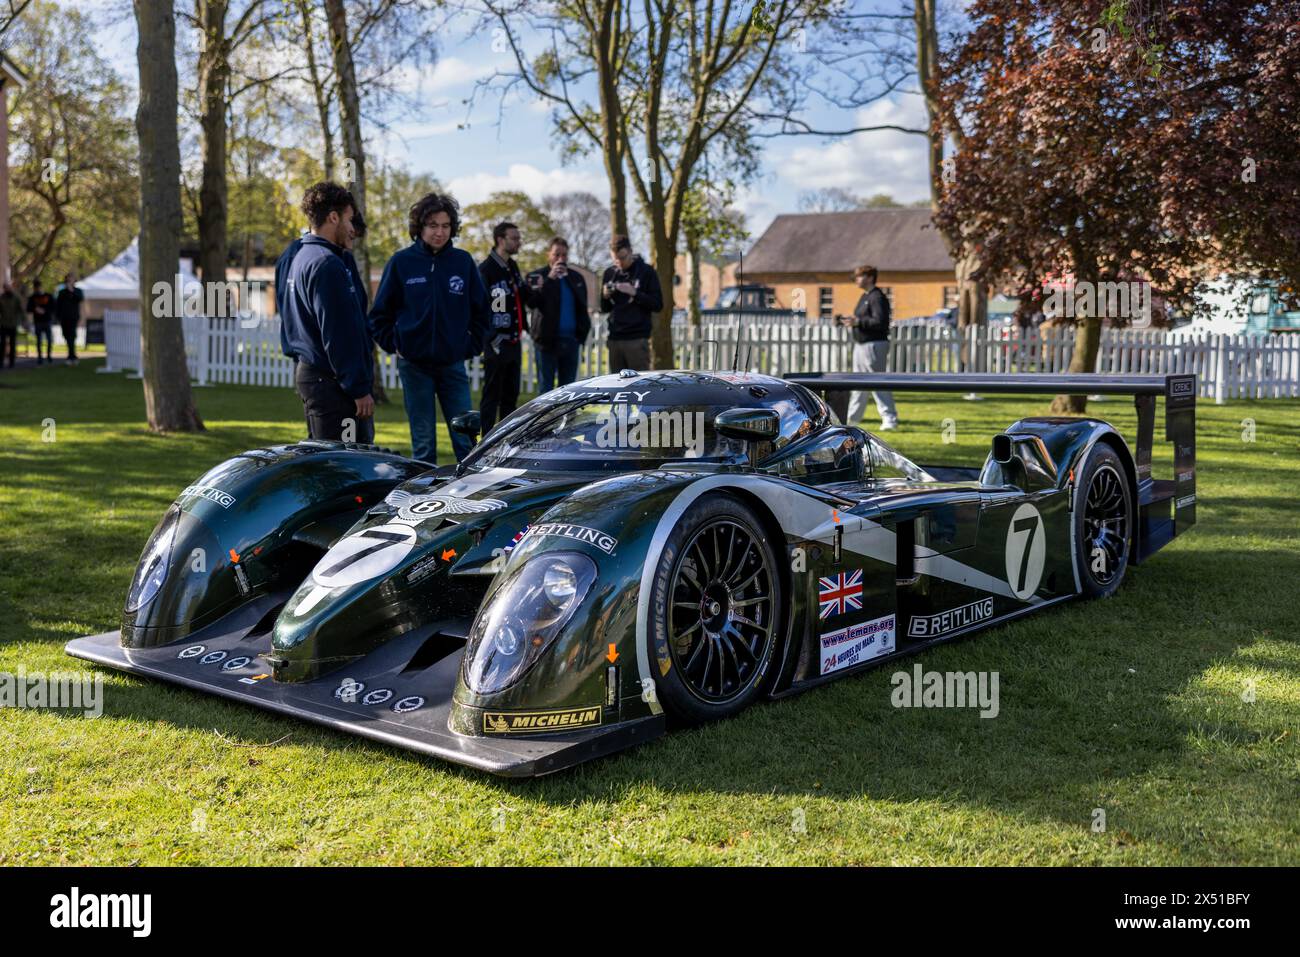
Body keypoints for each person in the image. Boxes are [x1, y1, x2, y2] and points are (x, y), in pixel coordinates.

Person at [369, 192, 490, 464]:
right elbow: (378, 316)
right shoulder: (401, 263)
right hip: (414, 367)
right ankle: (424, 501)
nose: (440, 232)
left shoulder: (463, 262)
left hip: (452, 366)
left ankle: (473, 498)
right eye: (433, 225)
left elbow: (483, 312)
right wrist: (397, 344)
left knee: (467, 441)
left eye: (446, 226)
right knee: (423, 444)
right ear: (420, 227)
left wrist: (467, 346)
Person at [280, 181, 375, 443]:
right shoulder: (326, 264)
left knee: (325, 462)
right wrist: (358, 388)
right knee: (346, 467)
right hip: (333, 385)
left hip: (315, 377)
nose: (353, 228)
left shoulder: (300, 256)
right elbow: (339, 334)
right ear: (334, 217)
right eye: (349, 219)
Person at [477, 221, 530, 431]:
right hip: (496, 343)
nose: (519, 242)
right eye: (514, 238)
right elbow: (481, 308)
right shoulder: (486, 269)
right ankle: (485, 442)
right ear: (501, 240)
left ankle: (506, 441)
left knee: (511, 395)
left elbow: (524, 297)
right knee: (491, 395)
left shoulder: (512, 267)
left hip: (514, 342)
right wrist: (491, 337)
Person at [525, 237, 590, 394]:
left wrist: (580, 336)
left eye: (564, 255)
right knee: (546, 390)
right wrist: (549, 279)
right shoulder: (537, 276)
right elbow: (532, 302)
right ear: (549, 254)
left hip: (571, 342)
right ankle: (546, 419)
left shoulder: (576, 278)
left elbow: (582, 307)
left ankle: (566, 419)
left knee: (568, 391)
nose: (561, 259)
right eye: (557, 255)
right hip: (546, 343)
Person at [837, 264, 898, 431]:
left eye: (859, 276)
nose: (856, 280)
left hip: (873, 345)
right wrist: (852, 321)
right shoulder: (865, 297)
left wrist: (858, 322)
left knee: (877, 383)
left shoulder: (877, 297)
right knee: (858, 384)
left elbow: (880, 322)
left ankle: (890, 418)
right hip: (861, 344)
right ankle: (852, 418)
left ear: (870, 277)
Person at [600, 235, 662, 371]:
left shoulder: (646, 272)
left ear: (631, 251)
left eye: (622, 258)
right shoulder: (609, 273)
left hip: (637, 339)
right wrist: (605, 296)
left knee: (639, 386)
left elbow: (658, 305)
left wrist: (635, 293)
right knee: (617, 385)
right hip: (614, 338)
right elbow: (604, 308)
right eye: (615, 259)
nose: (619, 263)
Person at [54, 274, 84, 364]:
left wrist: (71, 290)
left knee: (72, 335)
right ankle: (72, 355)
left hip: (73, 317)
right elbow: (58, 305)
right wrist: (58, 317)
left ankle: (72, 355)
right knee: (66, 335)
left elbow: (80, 299)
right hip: (64, 317)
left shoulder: (78, 291)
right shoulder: (62, 292)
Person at [26, 280, 53, 365]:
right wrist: (35, 309)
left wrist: (45, 311)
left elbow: (54, 307)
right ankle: (40, 357)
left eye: (38, 287)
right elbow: (28, 308)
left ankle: (49, 356)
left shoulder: (48, 296)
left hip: (47, 321)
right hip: (38, 322)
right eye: (36, 288)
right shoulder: (32, 298)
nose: (37, 289)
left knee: (49, 340)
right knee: (39, 341)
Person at [0, 283, 22, 369]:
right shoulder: (1, 298)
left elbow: (20, 310)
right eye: (5, 288)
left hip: (13, 324)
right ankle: (1, 361)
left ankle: (11, 362)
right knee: (2, 344)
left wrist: (22, 321)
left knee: (12, 344)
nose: (7, 289)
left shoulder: (16, 298)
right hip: (4, 324)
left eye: (8, 288)